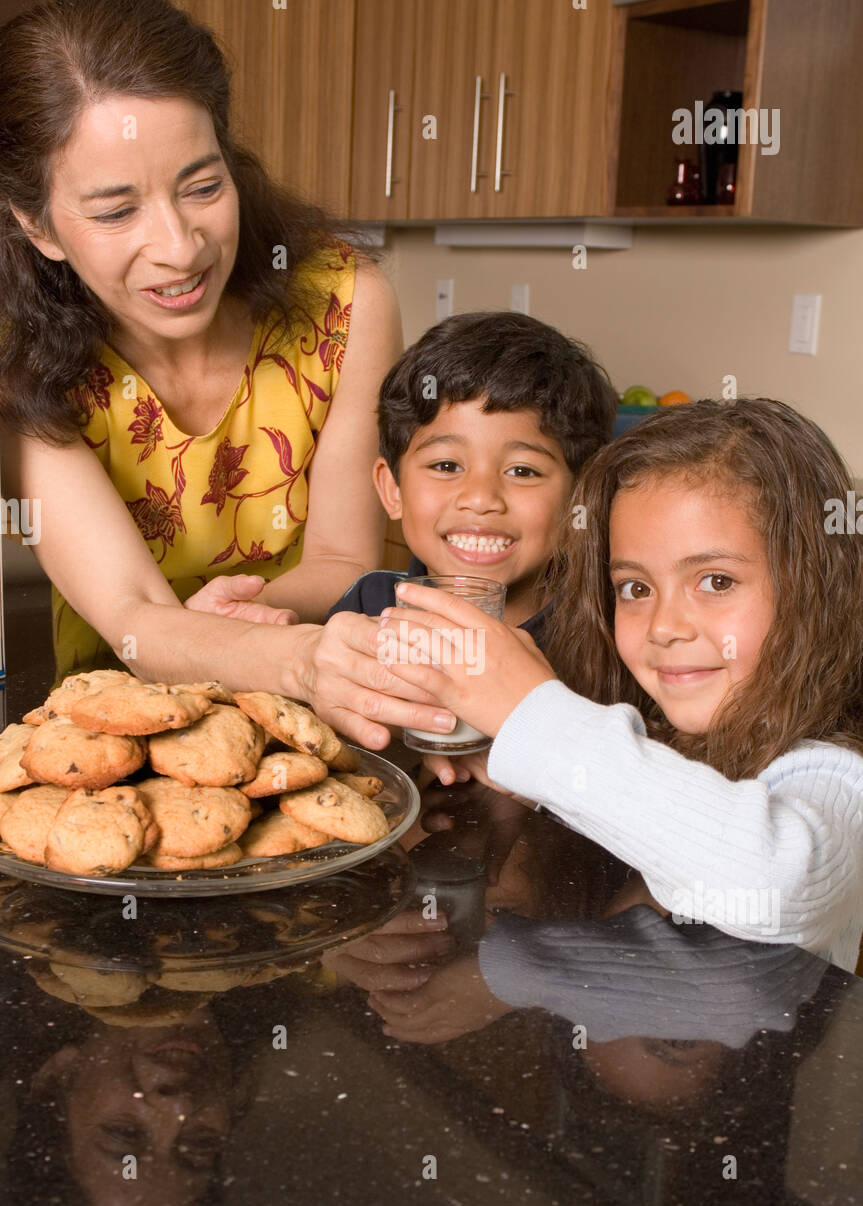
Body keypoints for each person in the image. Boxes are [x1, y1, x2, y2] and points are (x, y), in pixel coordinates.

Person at [0, 0, 451, 746]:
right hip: (116, 734)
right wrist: (284, 656)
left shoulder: (348, 302)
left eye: (202, 187)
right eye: (116, 212)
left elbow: (343, 557)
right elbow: (132, 613)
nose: (179, 249)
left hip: (332, 717)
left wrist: (232, 636)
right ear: (37, 225)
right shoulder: (16, 365)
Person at [378, 398, 863, 973]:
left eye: (715, 580)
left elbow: (778, 879)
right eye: (635, 588)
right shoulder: (680, 736)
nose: (664, 626)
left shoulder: (836, 775)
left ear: (815, 587)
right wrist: (525, 768)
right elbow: (661, 815)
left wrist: (533, 716)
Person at [327, 309, 616, 780]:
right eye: (445, 466)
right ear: (392, 489)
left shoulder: (607, 630)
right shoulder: (366, 609)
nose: (481, 499)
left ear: (580, 498)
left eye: (522, 471)